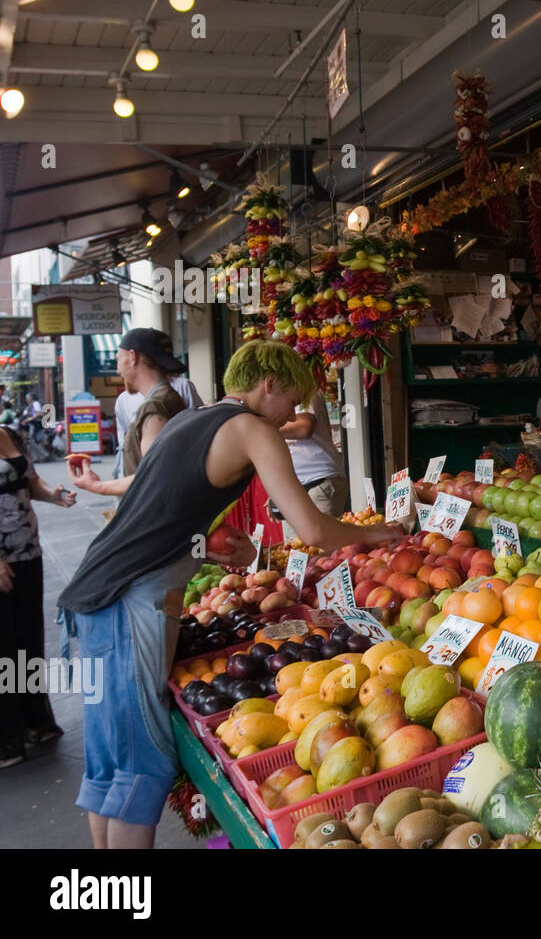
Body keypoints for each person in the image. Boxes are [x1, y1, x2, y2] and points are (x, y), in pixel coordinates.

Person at [57, 340, 401, 848]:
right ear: (269, 385)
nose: (292, 414)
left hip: (98, 591)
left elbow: (158, 507)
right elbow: (311, 528)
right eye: (292, 400)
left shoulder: (189, 421)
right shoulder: (252, 428)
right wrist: (380, 533)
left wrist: (206, 548)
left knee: (111, 766)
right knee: (139, 765)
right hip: (126, 599)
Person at [1, 421, 77, 768]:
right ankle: (7, 738)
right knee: (3, 643)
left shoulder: (8, 433)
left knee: (28, 637)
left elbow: (30, 484)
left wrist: (55, 496)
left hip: (28, 551)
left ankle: (36, 721)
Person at [67, 328, 187, 497]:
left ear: (132, 357)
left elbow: (154, 476)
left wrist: (97, 486)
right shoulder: (169, 399)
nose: (117, 371)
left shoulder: (155, 408)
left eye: (118, 360)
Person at [275, 391, 347, 537]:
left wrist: (264, 428)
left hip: (316, 480)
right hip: (294, 486)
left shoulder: (301, 388)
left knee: (322, 547)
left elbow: (304, 426)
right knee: (295, 551)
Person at [113, 374, 203, 477]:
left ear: (133, 359)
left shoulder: (182, 385)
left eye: (120, 359)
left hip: (179, 470)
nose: (118, 371)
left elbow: (200, 424)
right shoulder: (124, 399)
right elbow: (123, 439)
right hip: (137, 474)